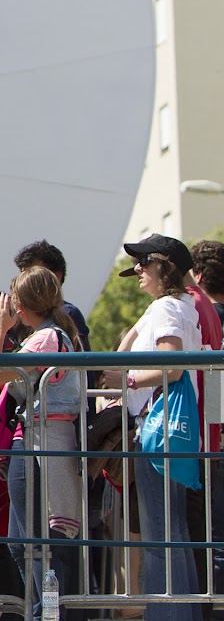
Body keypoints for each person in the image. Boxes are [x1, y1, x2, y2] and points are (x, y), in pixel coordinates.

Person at [113, 235, 204, 621]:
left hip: (156, 428)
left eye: (143, 262)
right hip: (170, 428)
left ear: (162, 265)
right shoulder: (179, 306)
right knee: (172, 532)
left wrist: (129, 381)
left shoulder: (167, 307)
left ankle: (168, 615)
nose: (136, 269)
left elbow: (172, 367)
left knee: (160, 535)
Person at [0, 266, 85, 621]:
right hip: (31, 441)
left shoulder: (46, 338)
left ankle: (49, 613)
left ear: (22, 304)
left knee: (39, 544)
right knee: (21, 543)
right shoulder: (52, 334)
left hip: (40, 445)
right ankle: (42, 612)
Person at [11, 241, 91, 351]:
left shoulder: (66, 315)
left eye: (33, 275)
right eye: (22, 274)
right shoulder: (20, 316)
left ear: (55, 277)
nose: (22, 281)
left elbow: (2, 369)